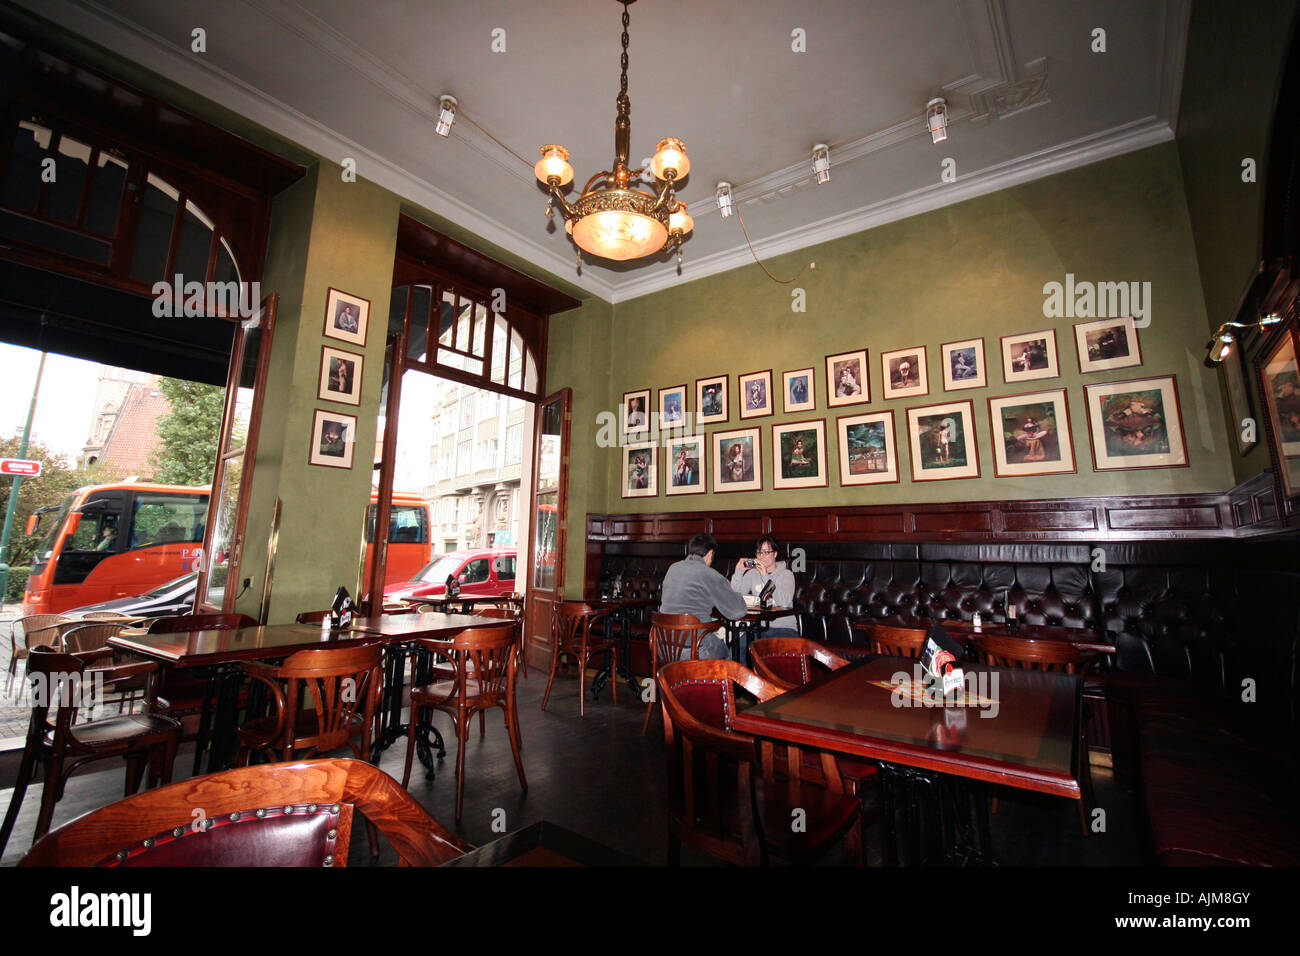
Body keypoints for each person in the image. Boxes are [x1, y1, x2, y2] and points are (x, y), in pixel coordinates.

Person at [660, 533, 749, 659]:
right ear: (710, 553)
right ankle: (724, 678)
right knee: (729, 652)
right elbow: (737, 611)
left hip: (664, 648)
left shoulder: (672, 568)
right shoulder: (709, 574)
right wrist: (729, 588)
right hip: (695, 650)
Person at [730, 534, 799, 636]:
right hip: (758, 626)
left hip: (783, 627)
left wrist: (765, 576)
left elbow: (784, 601)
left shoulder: (786, 575)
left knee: (758, 644)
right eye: (759, 552)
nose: (762, 556)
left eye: (766, 552)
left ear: (775, 554)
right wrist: (738, 572)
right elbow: (734, 597)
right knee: (737, 646)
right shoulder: (753, 573)